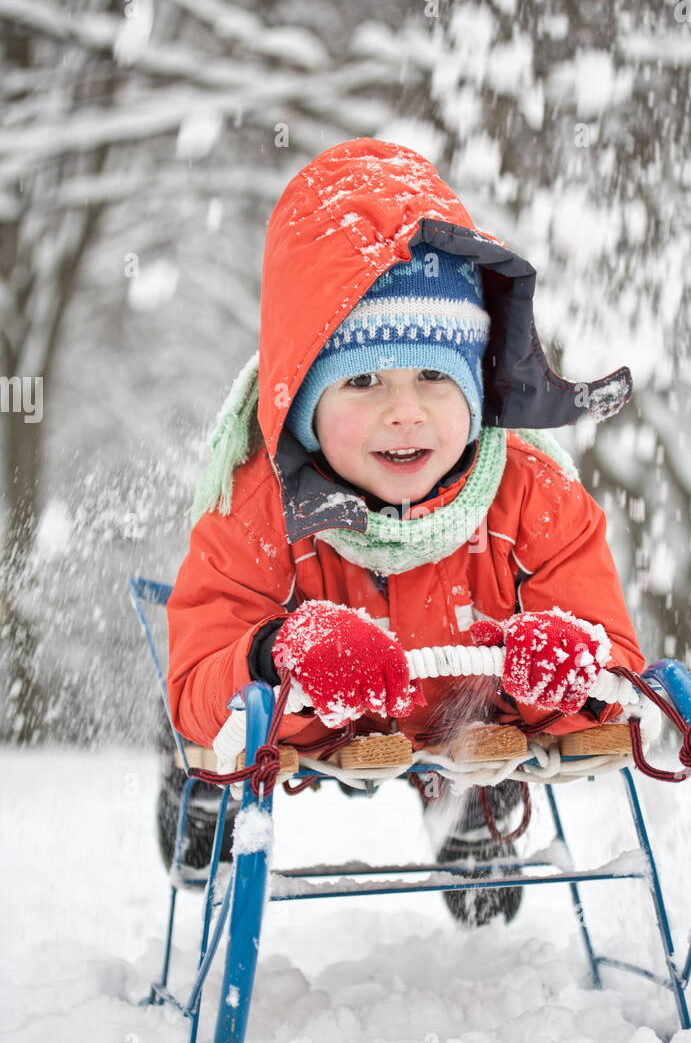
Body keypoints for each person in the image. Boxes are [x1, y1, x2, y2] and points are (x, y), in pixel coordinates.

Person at [165, 137, 645, 924]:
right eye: (361, 381)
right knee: (208, 729)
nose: (405, 411)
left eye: (434, 376)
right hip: (317, 715)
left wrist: (571, 667)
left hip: (466, 714)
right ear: (306, 406)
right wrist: (275, 656)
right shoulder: (260, 502)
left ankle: (465, 802)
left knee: (480, 744)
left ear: (477, 382)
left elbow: (618, 674)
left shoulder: (533, 493)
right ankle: (192, 798)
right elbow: (199, 684)